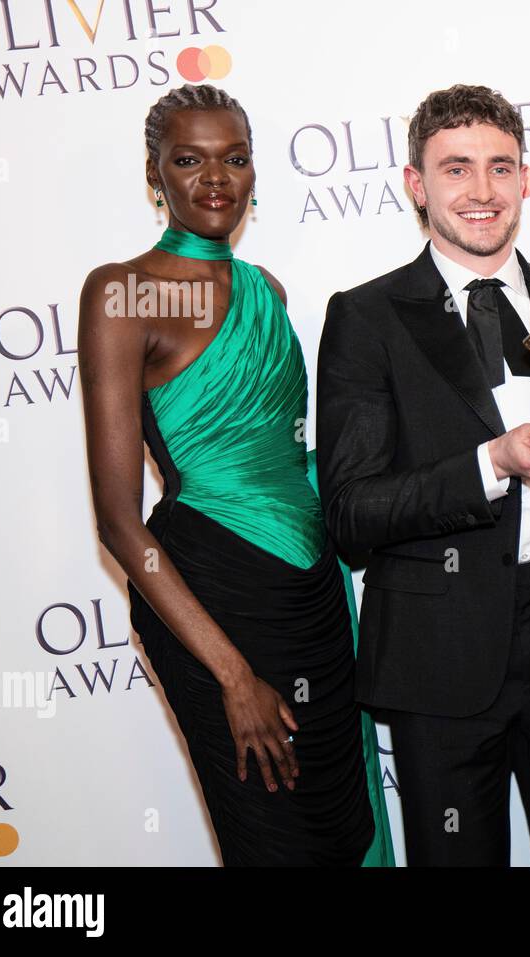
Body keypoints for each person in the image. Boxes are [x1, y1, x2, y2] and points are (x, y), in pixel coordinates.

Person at [316, 84, 530, 866]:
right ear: (417, 186)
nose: (482, 192)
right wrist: (492, 464)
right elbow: (352, 513)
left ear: (525, 180)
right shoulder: (367, 317)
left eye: (501, 168)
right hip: (439, 651)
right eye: (457, 169)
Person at [77, 84, 389, 866]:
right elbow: (119, 520)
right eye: (190, 160)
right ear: (156, 177)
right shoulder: (121, 293)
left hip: (311, 590)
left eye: (235, 158)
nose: (216, 178)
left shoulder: (268, 291)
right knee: (270, 838)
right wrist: (233, 675)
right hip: (210, 596)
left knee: (341, 828)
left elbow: (291, 453)